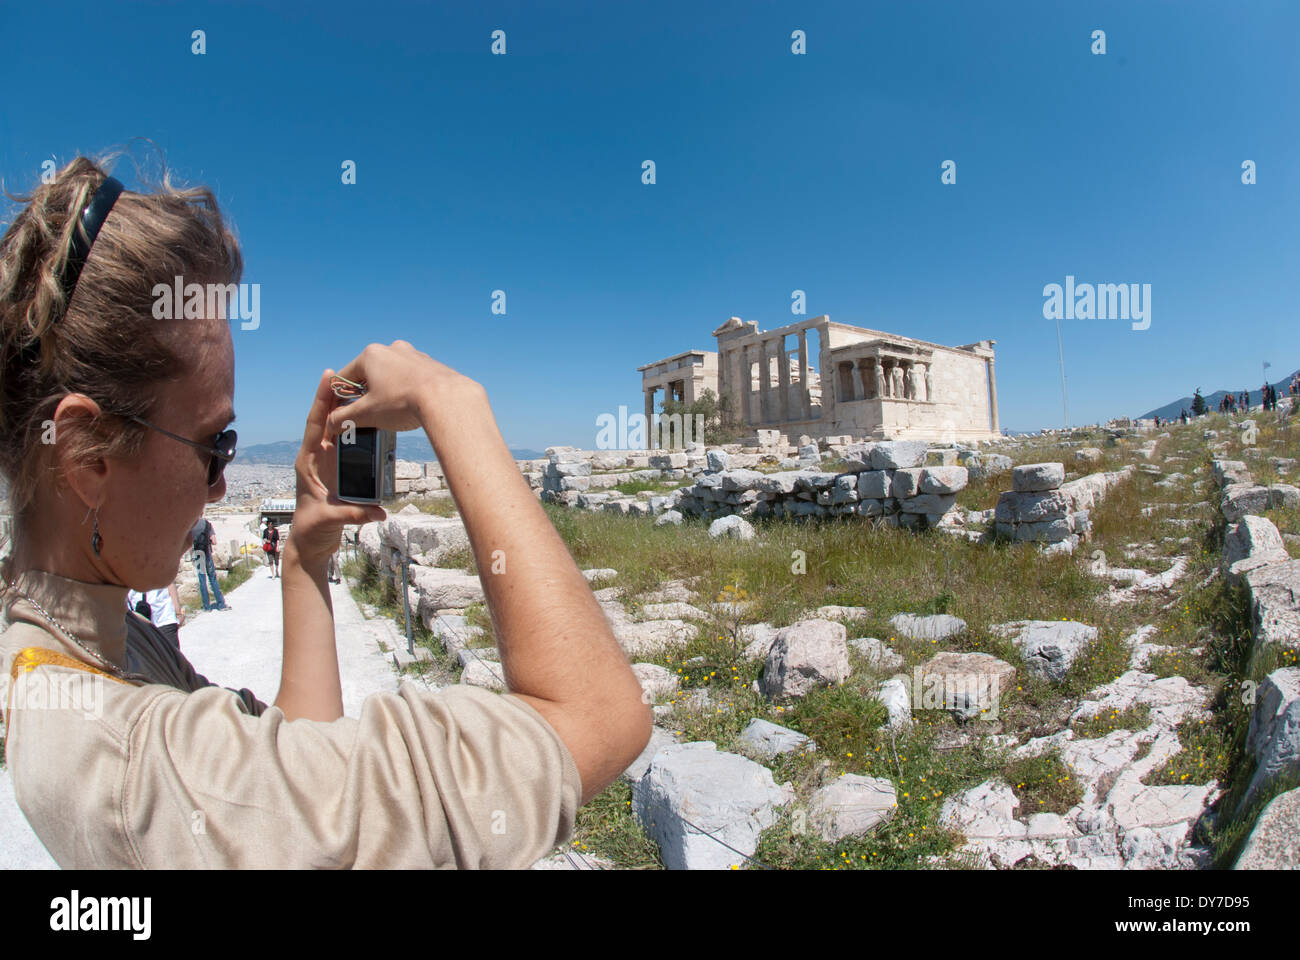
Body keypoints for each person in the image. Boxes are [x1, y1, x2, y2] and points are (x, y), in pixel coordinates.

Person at [0, 155, 651, 868]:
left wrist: (305, 559)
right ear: (89, 456)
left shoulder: (80, 647)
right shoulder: (130, 761)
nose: (219, 487)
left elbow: (289, 772)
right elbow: (596, 718)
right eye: (214, 445)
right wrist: (453, 402)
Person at [125, 583, 184, 649]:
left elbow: (170, 582)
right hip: (139, 623)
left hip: (163, 616)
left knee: (171, 656)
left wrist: (177, 612)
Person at [189, 515, 230, 610]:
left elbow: (189, 543)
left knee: (202, 579)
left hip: (198, 553)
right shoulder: (207, 524)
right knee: (212, 578)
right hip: (207, 551)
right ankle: (221, 604)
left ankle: (206, 607)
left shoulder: (191, 525)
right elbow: (214, 541)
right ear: (202, 513)